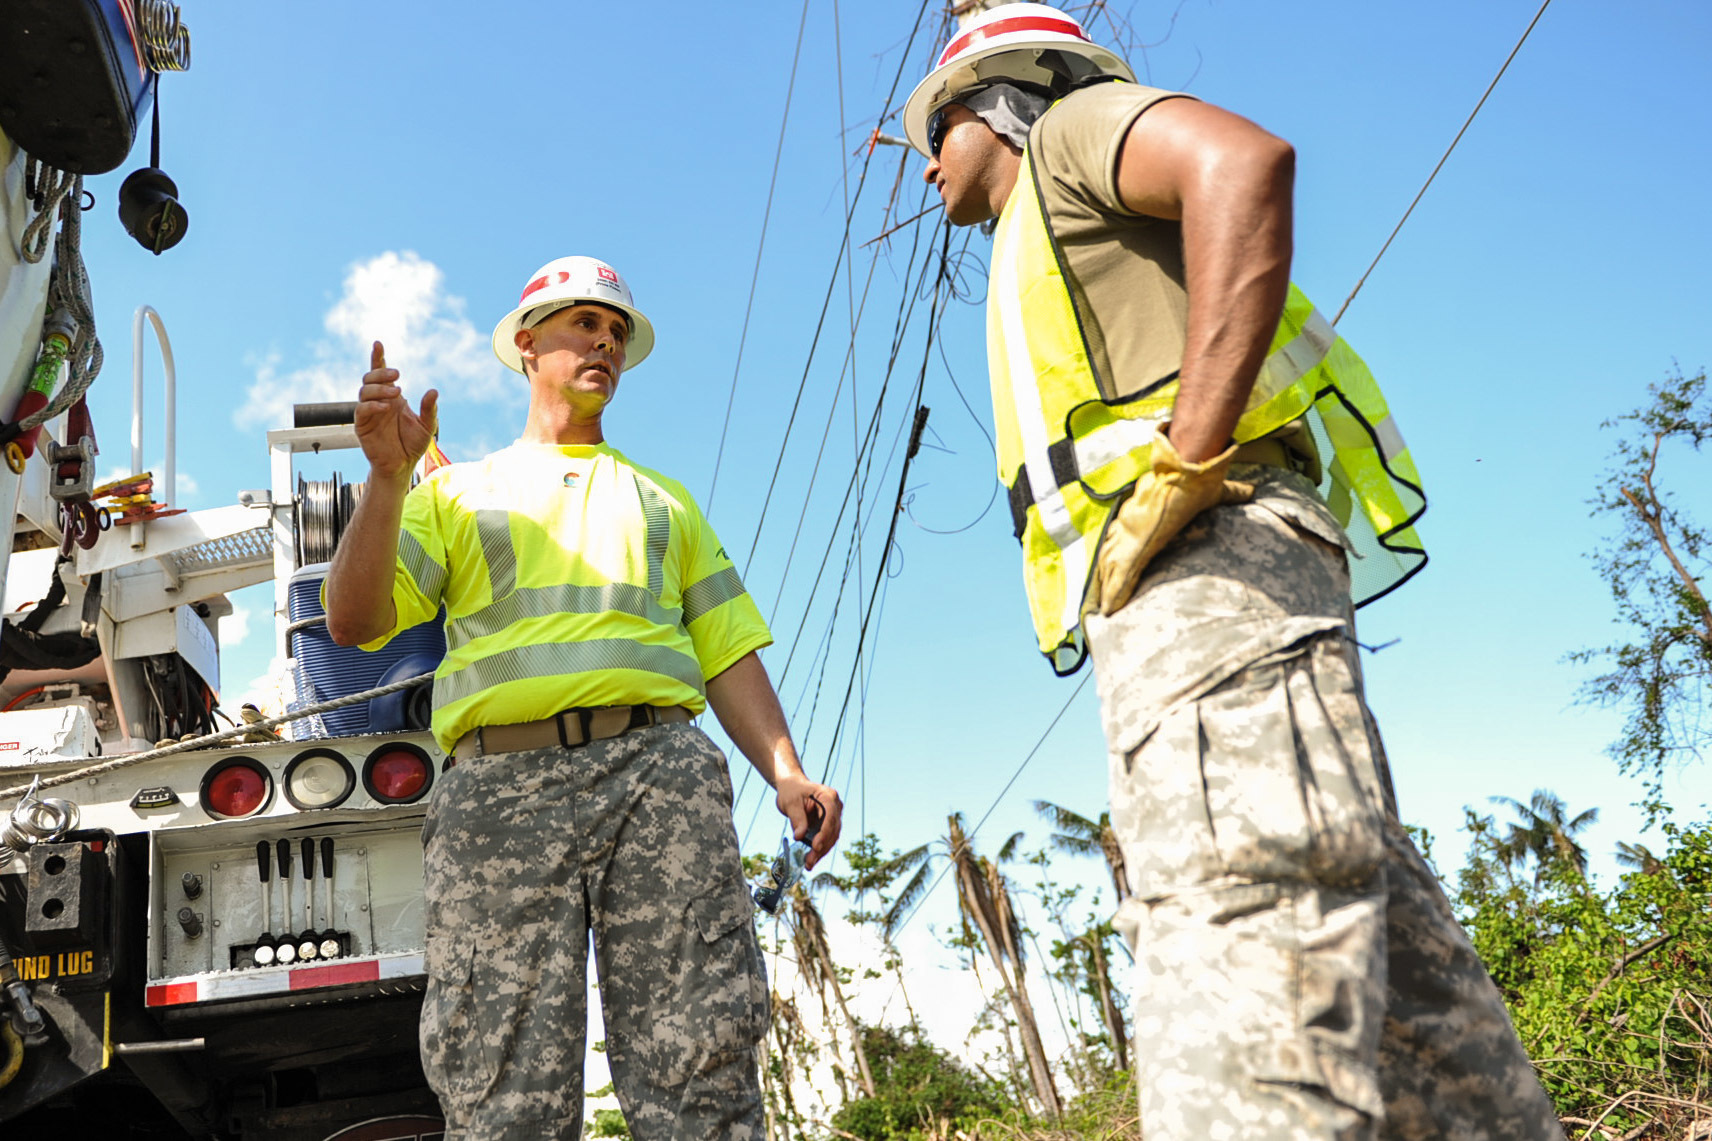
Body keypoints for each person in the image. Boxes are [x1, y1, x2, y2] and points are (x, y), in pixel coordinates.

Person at [905, 5, 1564, 1138]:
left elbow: (1242, 162)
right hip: (1201, 579)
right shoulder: (1042, 224)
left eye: (937, 132)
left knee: (1235, 925)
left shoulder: (1067, 133)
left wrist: (1189, 452)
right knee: (1405, 993)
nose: (925, 166)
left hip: (1207, 567)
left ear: (1000, 102)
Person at [321, 255, 842, 1141]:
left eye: (616, 331)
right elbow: (353, 618)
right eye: (584, 324)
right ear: (527, 346)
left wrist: (786, 772)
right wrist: (385, 480)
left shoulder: (665, 502)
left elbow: (727, 652)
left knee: (702, 1056)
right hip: (499, 790)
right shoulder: (452, 493)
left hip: (658, 777)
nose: (606, 342)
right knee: (501, 1083)